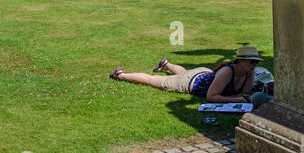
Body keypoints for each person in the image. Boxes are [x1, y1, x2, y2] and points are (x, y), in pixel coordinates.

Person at [110, 45, 267, 104]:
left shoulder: (247, 72)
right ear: (239, 61)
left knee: (184, 72)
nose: (254, 65)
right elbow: (211, 97)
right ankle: (121, 75)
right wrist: (238, 99)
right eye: (251, 62)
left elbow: (244, 93)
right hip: (190, 82)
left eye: (256, 62)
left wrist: (249, 78)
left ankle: (166, 64)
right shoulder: (228, 71)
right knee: (154, 80)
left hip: (203, 74)